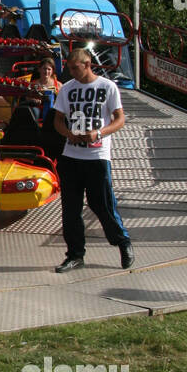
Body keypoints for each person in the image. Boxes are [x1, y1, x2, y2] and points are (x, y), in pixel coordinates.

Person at [52, 47, 133, 273]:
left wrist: (99, 133)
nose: (72, 73)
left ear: (87, 64)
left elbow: (120, 119)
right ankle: (75, 255)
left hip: (97, 156)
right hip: (72, 156)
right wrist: (68, 134)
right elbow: (57, 120)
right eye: (69, 69)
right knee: (71, 209)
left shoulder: (107, 87)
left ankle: (123, 242)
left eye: (75, 68)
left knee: (103, 205)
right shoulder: (66, 89)